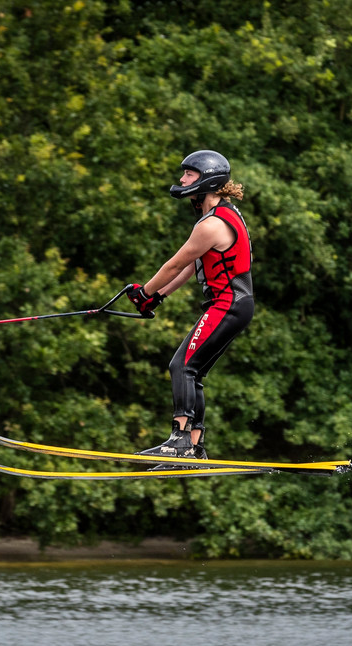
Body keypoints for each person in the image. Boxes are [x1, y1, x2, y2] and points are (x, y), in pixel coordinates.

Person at [125, 150, 254, 460]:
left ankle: (179, 440)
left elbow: (174, 264)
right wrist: (157, 296)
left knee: (181, 365)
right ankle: (193, 446)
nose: (182, 180)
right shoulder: (221, 215)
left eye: (189, 175)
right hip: (235, 305)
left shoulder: (211, 224)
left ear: (207, 181)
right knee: (192, 370)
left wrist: (145, 292)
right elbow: (190, 267)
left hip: (228, 304)